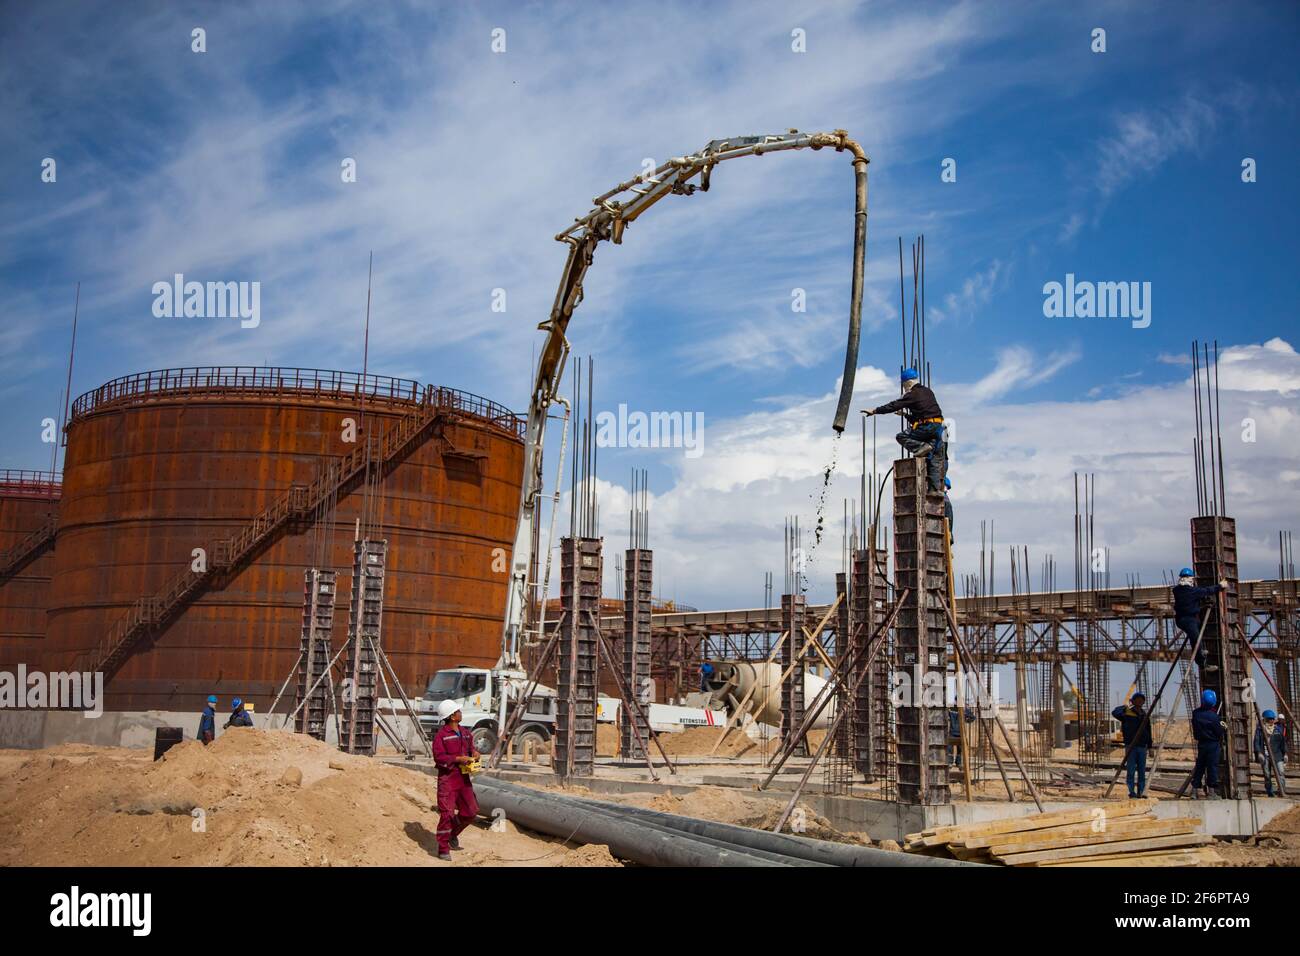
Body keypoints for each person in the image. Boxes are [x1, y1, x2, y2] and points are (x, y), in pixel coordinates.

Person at [861, 368, 947, 492]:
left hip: (927, 428)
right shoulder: (928, 392)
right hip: (938, 429)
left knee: (901, 437)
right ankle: (935, 490)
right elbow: (924, 415)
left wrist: (875, 411)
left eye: (904, 385)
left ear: (907, 383)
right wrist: (905, 415)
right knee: (933, 460)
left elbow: (893, 405)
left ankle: (922, 446)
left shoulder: (912, 394)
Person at [431, 699, 480, 861]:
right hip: (448, 780)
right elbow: (439, 758)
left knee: (471, 812)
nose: (461, 712)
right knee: (447, 814)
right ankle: (443, 849)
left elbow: (471, 748)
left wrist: (474, 753)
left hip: (463, 779)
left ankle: (452, 834)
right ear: (452, 716)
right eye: (458, 711)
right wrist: (458, 759)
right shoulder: (441, 736)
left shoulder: (466, 733)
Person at [1172, 568, 1226, 672]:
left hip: (1181, 619)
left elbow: (1192, 597)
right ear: (1190, 579)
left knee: (1197, 628)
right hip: (1188, 620)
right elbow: (1207, 590)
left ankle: (1201, 649)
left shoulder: (1176, 590)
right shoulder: (1193, 591)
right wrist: (1220, 586)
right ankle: (1202, 664)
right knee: (1196, 639)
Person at [1111, 692, 1154, 798]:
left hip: (1142, 746)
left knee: (1141, 771)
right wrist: (1125, 707)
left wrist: (1150, 746)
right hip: (1131, 745)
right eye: (1137, 699)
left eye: (1141, 699)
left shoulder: (1145, 715)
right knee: (1131, 770)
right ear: (1133, 701)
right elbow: (1115, 712)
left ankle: (1141, 791)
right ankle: (1132, 791)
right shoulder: (1127, 713)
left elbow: (1148, 731)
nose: (1140, 701)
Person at [1190, 688, 1226, 798]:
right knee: (1212, 767)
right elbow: (1218, 732)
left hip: (1201, 743)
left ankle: (1194, 791)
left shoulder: (1196, 713)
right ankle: (1211, 792)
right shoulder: (1214, 717)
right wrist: (1223, 727)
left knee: (1200, 767)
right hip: (1212, 744)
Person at [1254, 709, 1288, 797]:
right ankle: (1270, 792)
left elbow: (1283, 742)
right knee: (1267, 775)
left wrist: (1285, 754)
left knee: (1281, 773)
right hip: (1265, 756)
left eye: (1272, 719)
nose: (1272, 720)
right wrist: (1259, 753)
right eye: (1269, 719)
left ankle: (1282, 791)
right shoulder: (1260, 730)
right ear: (1265, 719)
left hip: (1277, 755)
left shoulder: (1277, 730)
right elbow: (1256, 741)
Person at [943, 476, 954, 544]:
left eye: (947, 487)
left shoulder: (945, 500)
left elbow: (949, 518)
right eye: (946, 486)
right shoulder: (945, 499)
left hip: (946, 532)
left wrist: (949, 533)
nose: (947, 490)